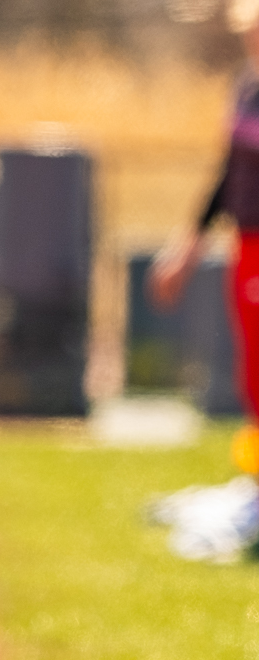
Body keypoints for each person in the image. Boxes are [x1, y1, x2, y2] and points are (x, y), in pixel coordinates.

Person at [153, 0, 259, 428]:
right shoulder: (247, 88)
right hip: (246, 240)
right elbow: (228, 174)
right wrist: (189, 244)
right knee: (251, 358)